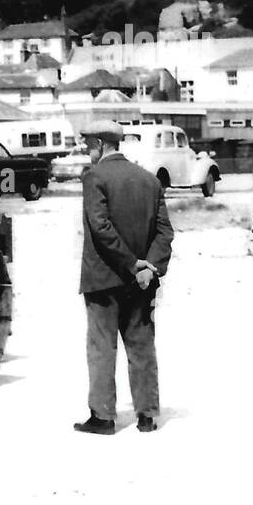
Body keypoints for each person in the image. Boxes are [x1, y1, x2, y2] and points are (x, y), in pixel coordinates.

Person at [75, 119, 174, 435]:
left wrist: (132, 264)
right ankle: (147, 416)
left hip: (104, 279)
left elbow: (101, 229)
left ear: (101, 144)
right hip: (141, 282)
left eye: (90, 144)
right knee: (142, 346)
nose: (88, 151)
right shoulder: (149, 180)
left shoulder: (95, 178)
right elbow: (164, 232)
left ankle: (103, 417)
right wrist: (150, 268)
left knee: (102, 347)